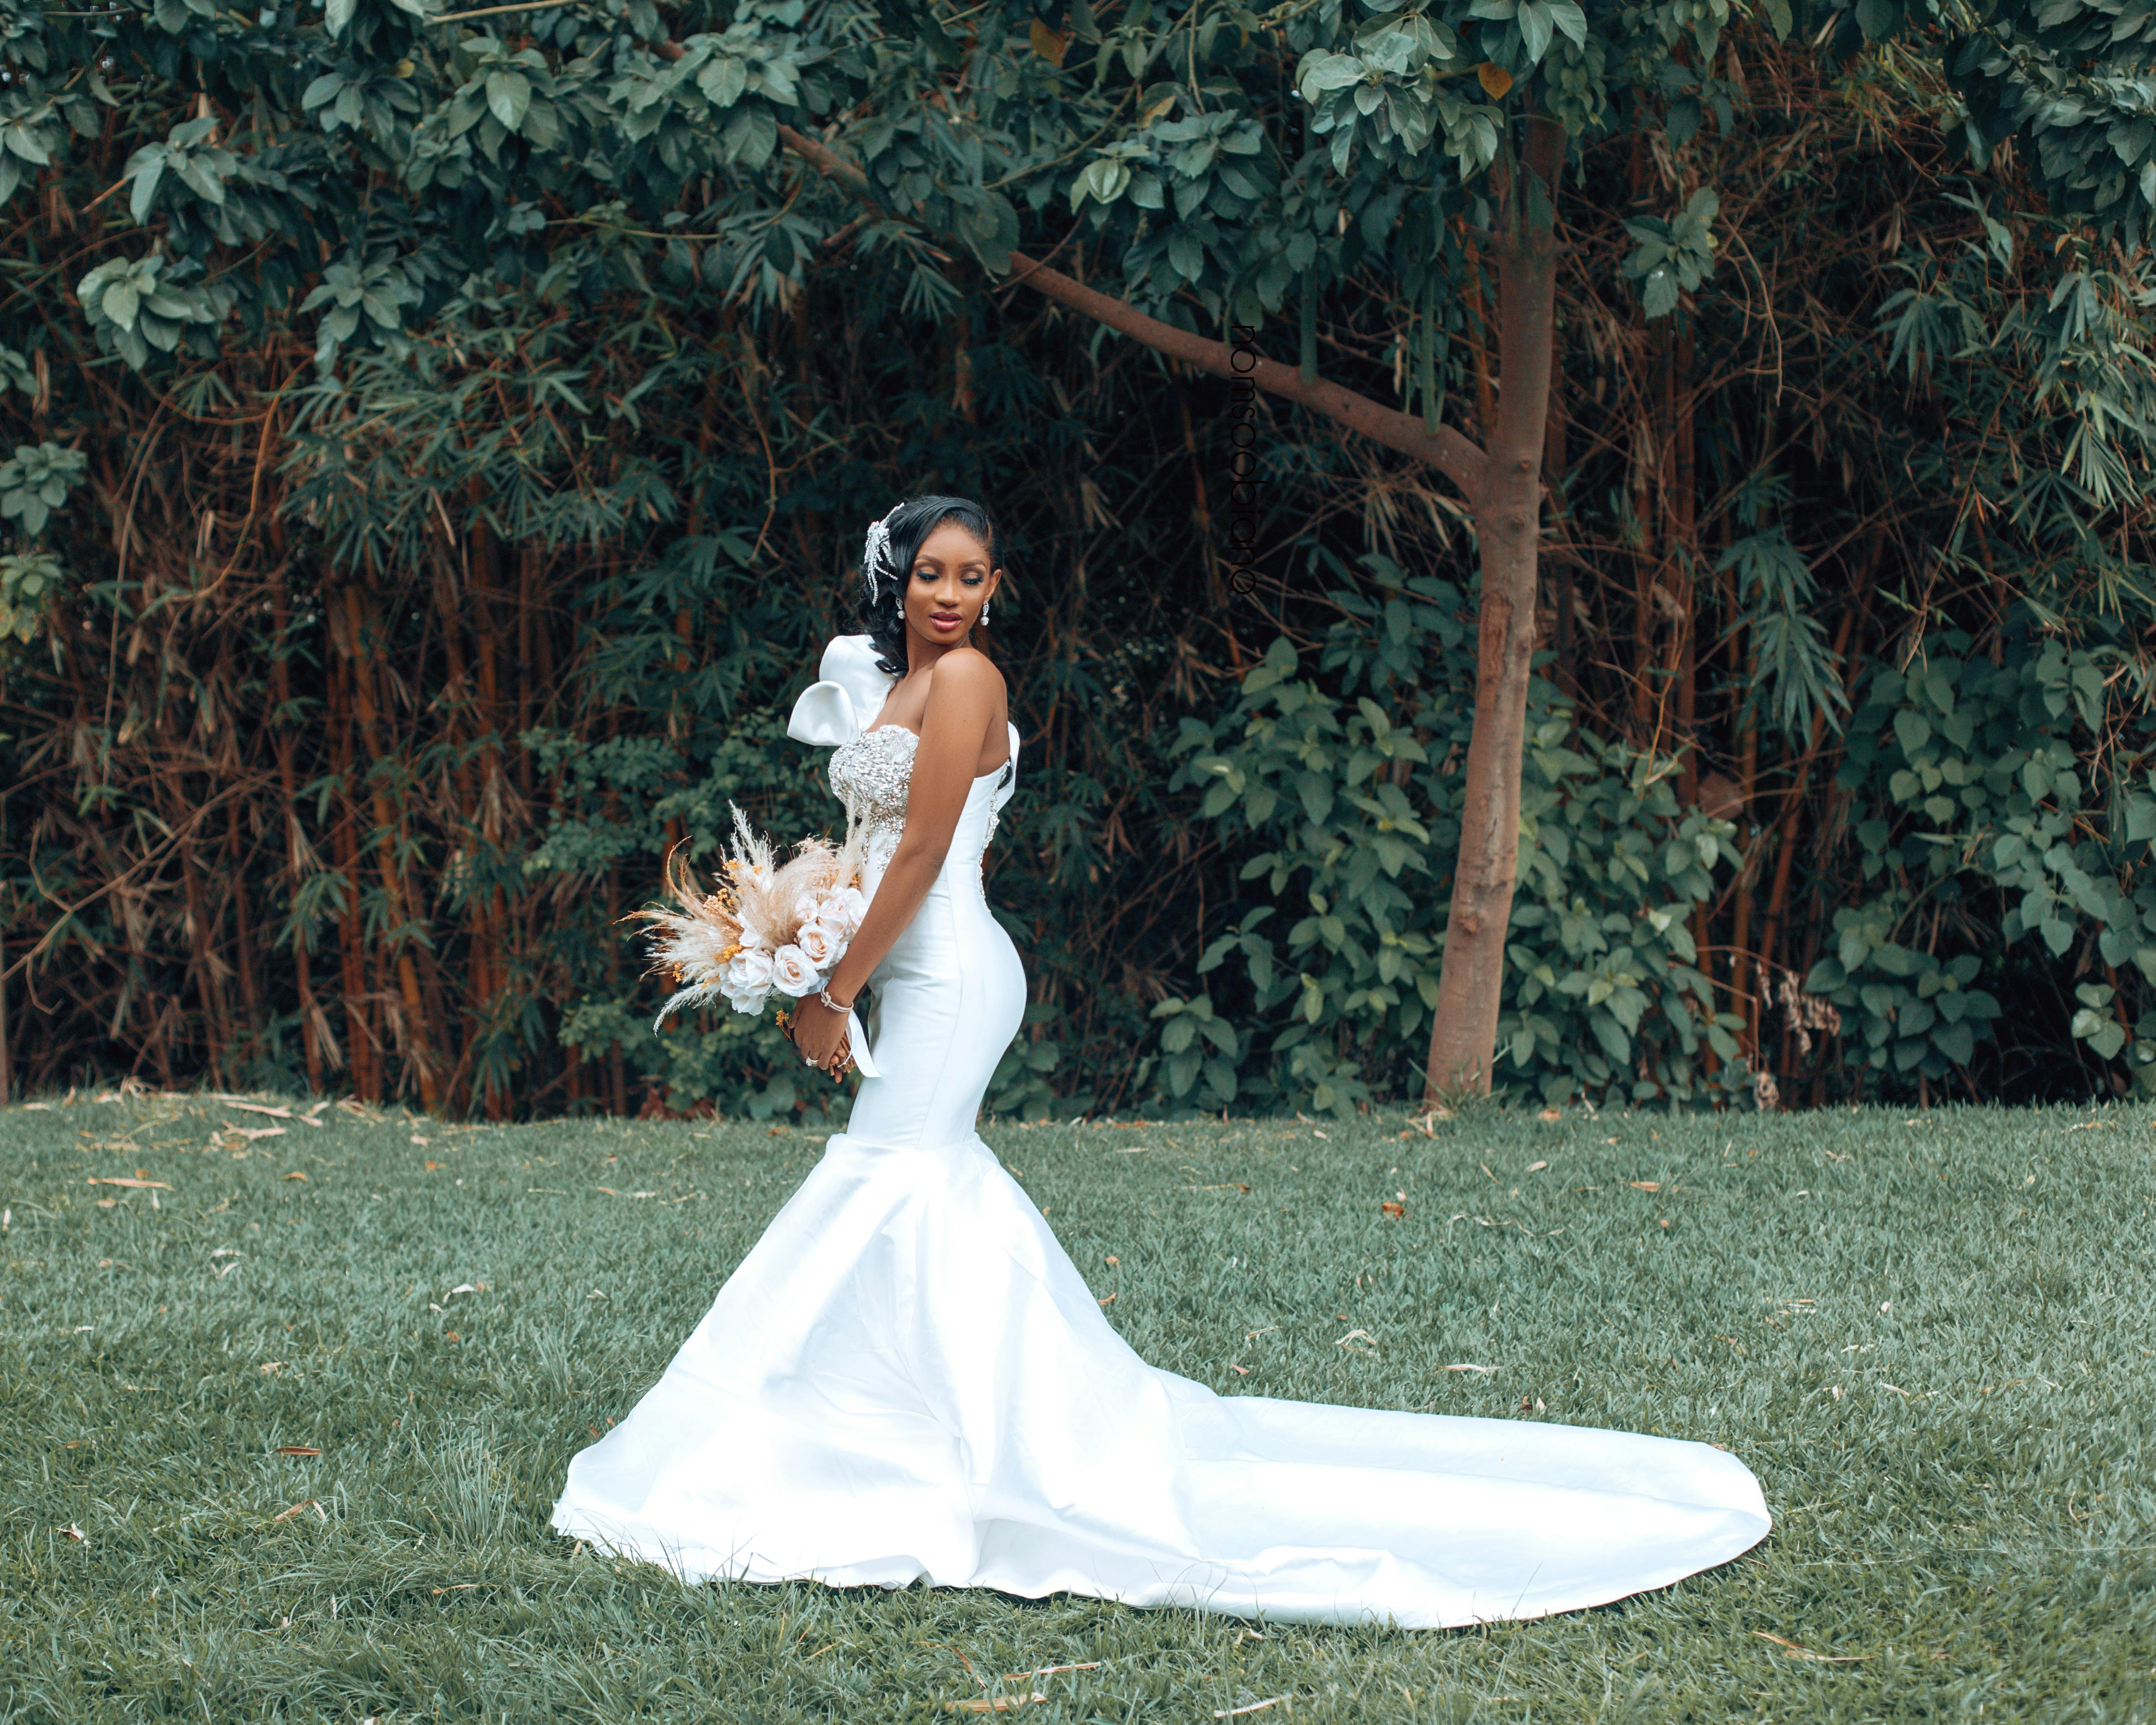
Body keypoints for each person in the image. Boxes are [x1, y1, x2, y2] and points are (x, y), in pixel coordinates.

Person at [548, 494, 1772, 1628]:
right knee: (915, 1187)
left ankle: (940, 1454)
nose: (950, 594)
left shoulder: (968, 676)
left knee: (887, 1174)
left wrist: (832, 984)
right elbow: (874, 844)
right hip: (906, 958)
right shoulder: (901, 680)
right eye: (930, 572)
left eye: (972, 576)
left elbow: (921, 851)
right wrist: (800, 924)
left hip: (943, 967)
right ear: (897, 575)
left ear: (993, 589)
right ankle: (925, 1433)